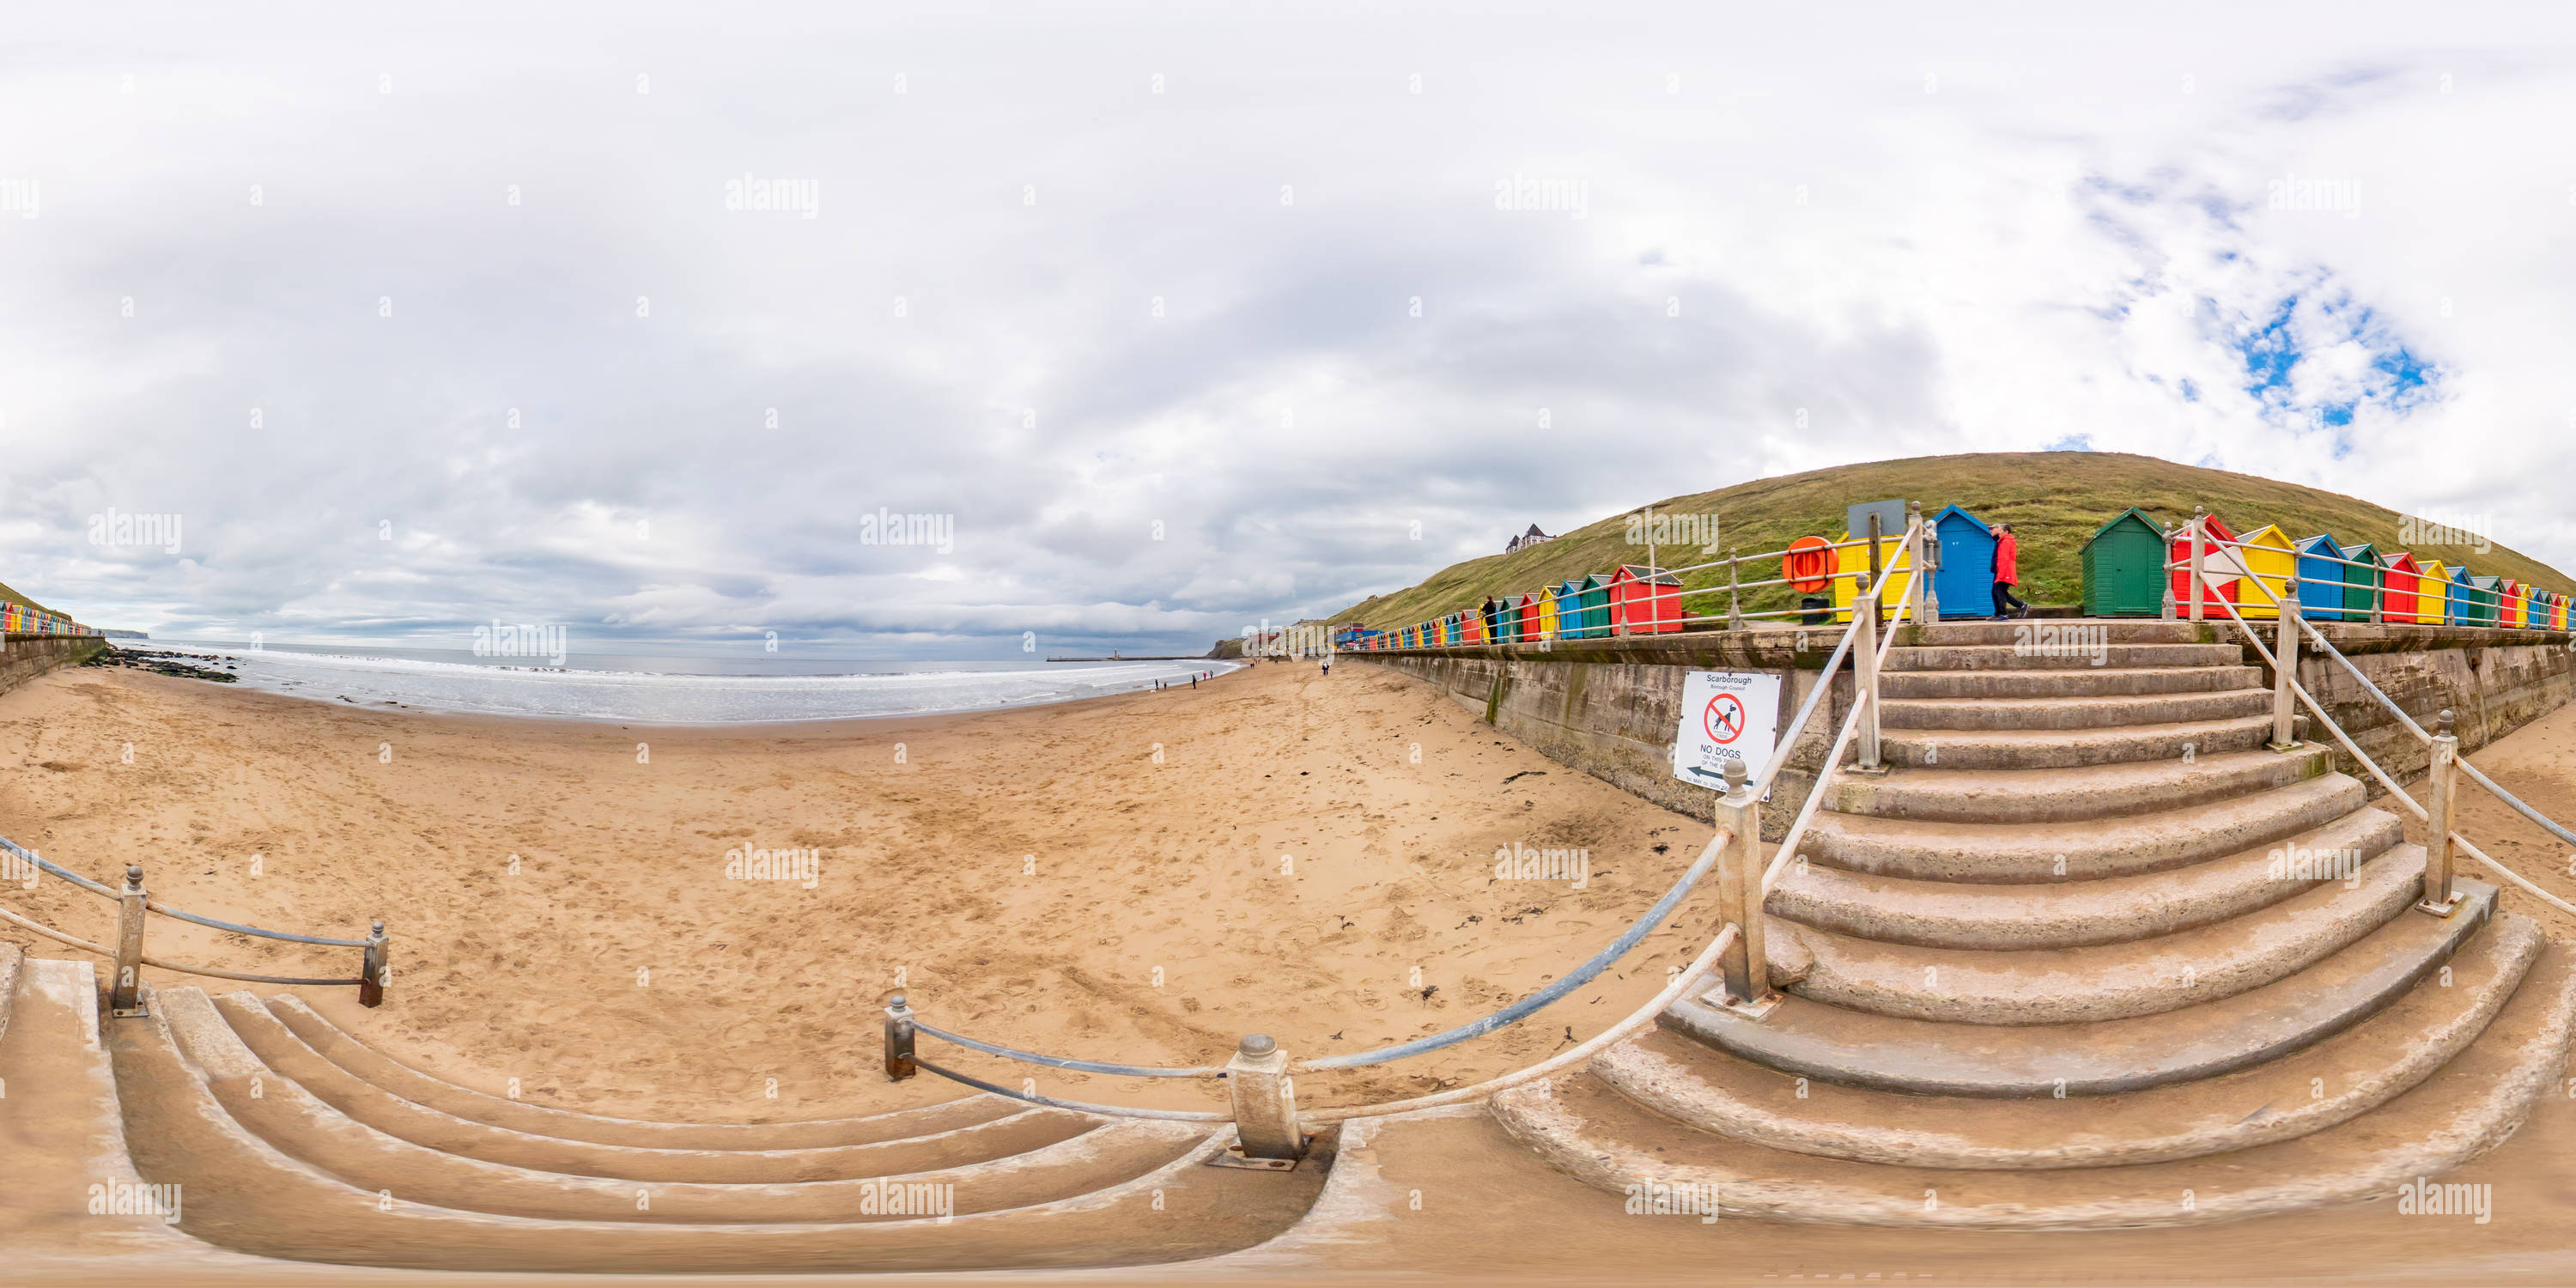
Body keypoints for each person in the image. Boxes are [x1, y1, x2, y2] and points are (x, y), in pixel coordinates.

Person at [1992, 522, 2029, 619]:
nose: (1998, 532)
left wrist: (2001, 574)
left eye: (2000, 530)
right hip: (2004, 571)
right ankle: (2021, 606)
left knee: (2000, 592)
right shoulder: (2003, 540)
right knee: (2000, 592)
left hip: (2005, 571)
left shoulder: (2006, 542)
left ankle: (2004, 614)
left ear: (2006, 531)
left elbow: (2004, 559)